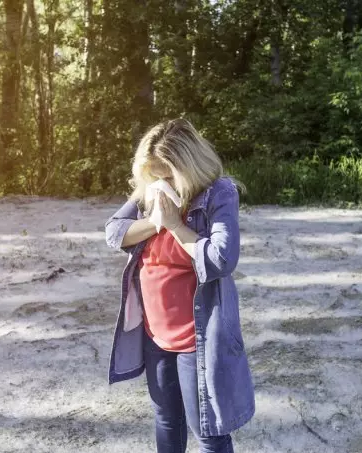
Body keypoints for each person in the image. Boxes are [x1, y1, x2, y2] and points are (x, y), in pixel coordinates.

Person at [104, 119, 255, 453]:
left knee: (208, 431)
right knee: (166, 420)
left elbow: (221, 259)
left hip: (196, 339)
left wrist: (173, 225)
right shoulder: (150, 194)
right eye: (155, 175)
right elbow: (114, 233)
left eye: (169, 175)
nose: (162, 183)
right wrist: (154, 221)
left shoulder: (218, 193)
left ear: (190, 166)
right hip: (155, 335)